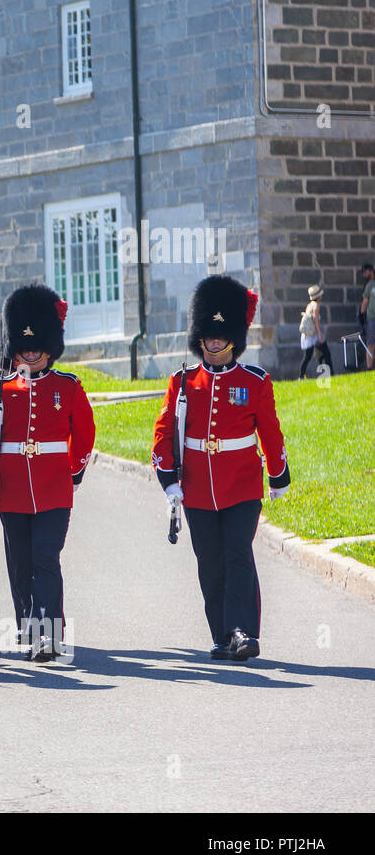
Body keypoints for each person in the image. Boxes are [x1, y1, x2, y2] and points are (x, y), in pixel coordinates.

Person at [153, 276, 289, 662]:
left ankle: (244, 631)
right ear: (200, 337)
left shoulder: (254, 380)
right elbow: (164, 431)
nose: (214, 342)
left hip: (242, 484)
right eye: (208, 336)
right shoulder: (182, 382)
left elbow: (270, 431)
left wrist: (277, 473)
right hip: (196, 487)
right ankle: (222, 633)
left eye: (220, 336)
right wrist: (169, 481)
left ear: (233, 337)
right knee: (209, 561)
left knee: (237, 554)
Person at [0, 285, 95, 662]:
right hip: (11, 491)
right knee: (20, 563)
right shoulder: (2, 389)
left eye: (37, 345)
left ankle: (49, 635)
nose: (30, 351)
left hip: (54, 489)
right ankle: (28, 625)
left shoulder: (67, 386)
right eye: (23, 347)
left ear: (49, 346)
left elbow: (84, 435)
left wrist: (73, 471)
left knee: (46, 558)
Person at [298, 285, 332, 379]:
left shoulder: (309, 305)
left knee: (310, 356)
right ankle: (330, 374)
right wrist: (320, 335)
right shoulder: (316, 305)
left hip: (308, 335)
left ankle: (302, 376)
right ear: (319, 296)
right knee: (326, 354)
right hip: (314, 335)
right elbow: (316, 321)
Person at [360, 262, 374, 371]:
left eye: (365, 272)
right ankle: (369, 367)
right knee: (370, 343)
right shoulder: (369, 285)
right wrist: (362, 319)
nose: (364, 274)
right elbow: (364, 303)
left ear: (370, 271)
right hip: (371, 319)